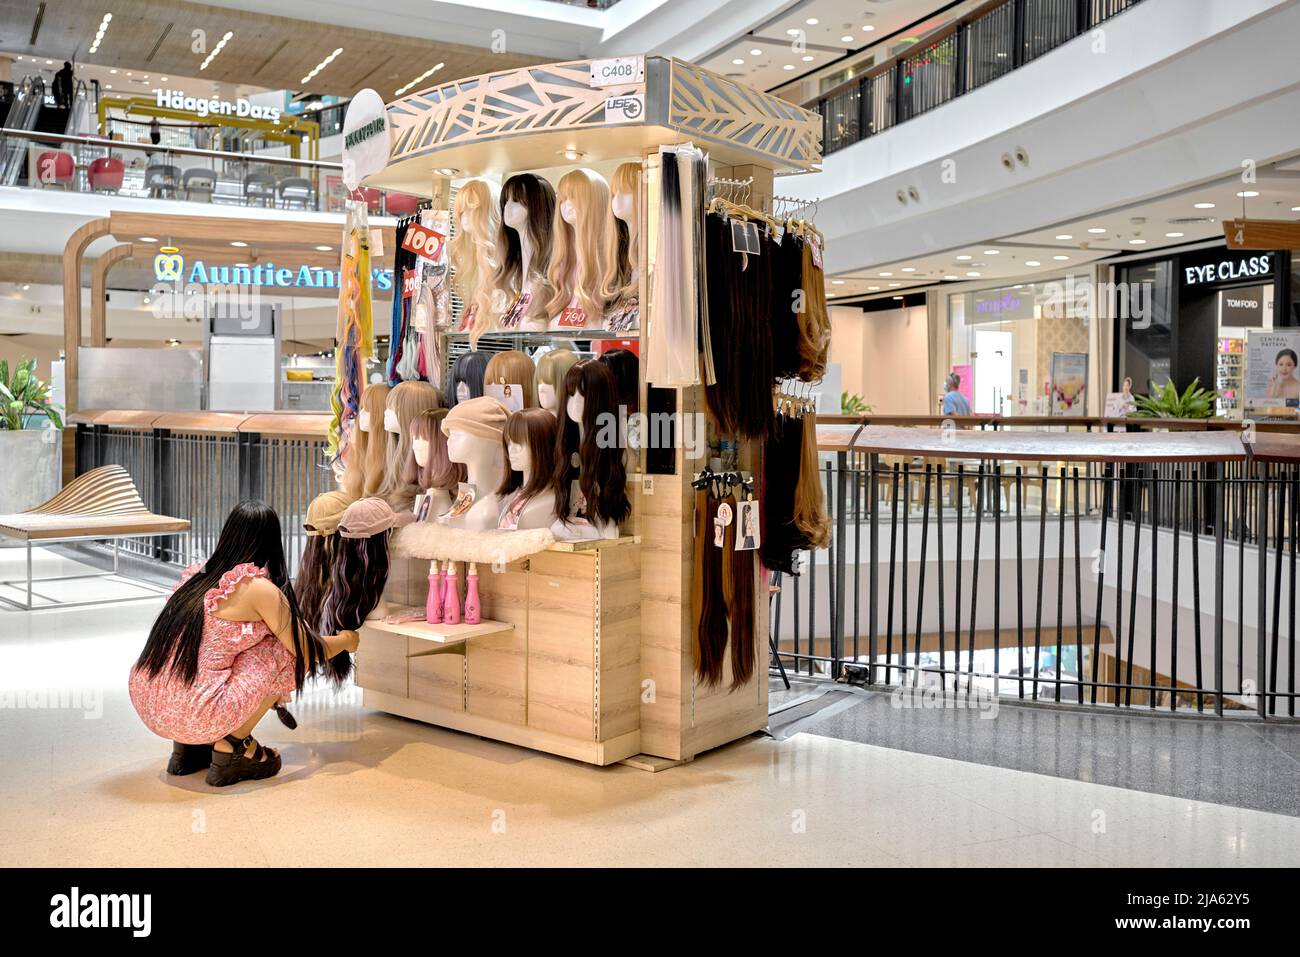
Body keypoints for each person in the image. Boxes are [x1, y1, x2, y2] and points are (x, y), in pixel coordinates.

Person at [129, 500, 360, 787]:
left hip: (150, 704)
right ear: (272, 541)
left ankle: (188, 750)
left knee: (222, 654)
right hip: (196, 712)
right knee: (281, 649)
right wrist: (347, 640)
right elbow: (305, 650)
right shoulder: (258, 588)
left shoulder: (198, 576)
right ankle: (232, 748)